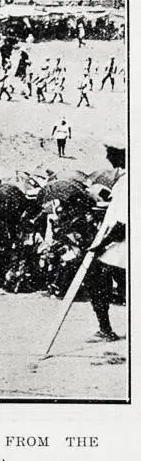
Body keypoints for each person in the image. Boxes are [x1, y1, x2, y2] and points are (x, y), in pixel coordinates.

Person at [86, 138, 127, 342]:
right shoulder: (124, 181)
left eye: (111, 152)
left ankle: (105, 329)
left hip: (117, 249)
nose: (107, 157)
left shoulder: (126, 183)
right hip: (117, 249)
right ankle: (105, 328)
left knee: (99, 286)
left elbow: (122, 226)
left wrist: (99, 246)